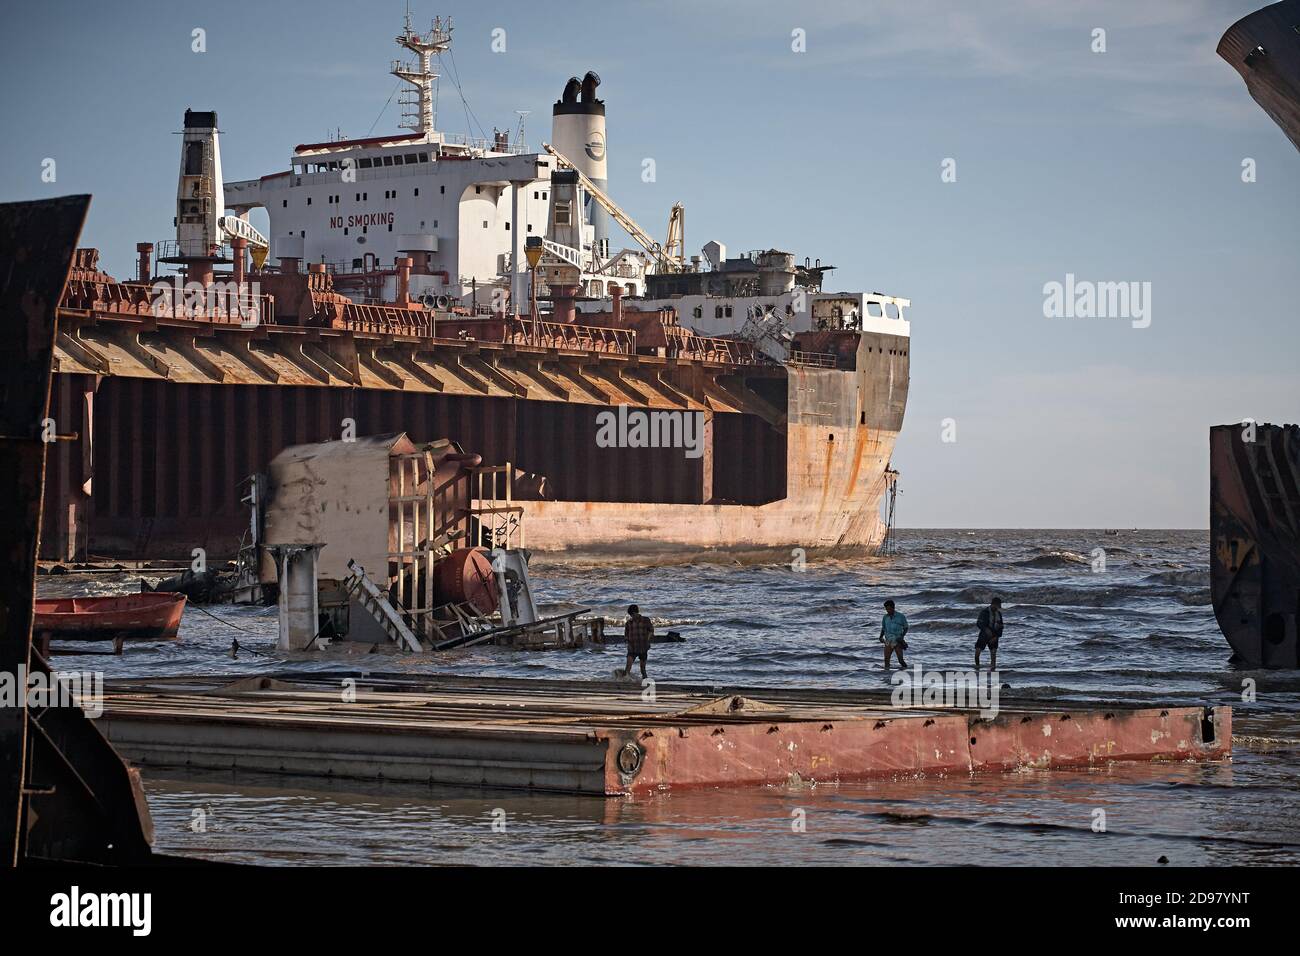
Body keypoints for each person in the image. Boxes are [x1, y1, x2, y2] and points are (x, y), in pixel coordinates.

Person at [624, 604, 654, 679]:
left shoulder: (645, 620)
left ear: (635, 613)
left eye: (632, 615)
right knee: (628, 666)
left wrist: (647, 640)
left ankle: (645, 681)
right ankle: (625, 681)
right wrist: (627, 643)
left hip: (643, 646)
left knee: (643, 669)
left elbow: (651, 630)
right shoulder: (628, 623)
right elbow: (626, 635)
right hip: (632, 647)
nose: (632, 616)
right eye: (631, 615)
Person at [879, 599, 908, 670]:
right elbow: (883, 628)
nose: (888, 611)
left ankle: (906, 671)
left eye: (889, 609)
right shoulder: (885, 617)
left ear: (893, 608)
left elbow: (906, 627)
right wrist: (880, 637)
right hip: (888, 640)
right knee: (886, 659)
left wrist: (902, 636)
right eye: (886, 609)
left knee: (900, 660)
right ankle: (887, 675)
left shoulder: (901, 616)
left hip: (897, 640)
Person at [975, 597, 1003, 670]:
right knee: (977, 653)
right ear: (993, 604)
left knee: (993, 654)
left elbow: (1001, 627)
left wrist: (996, 637)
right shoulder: (984, 612)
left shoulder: (999, 614)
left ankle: (993, 669)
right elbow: (978, 623)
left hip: (994, 635)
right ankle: (977, 668)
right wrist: (986, 629)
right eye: (998, 606)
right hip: (984, 635)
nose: (998, 608)